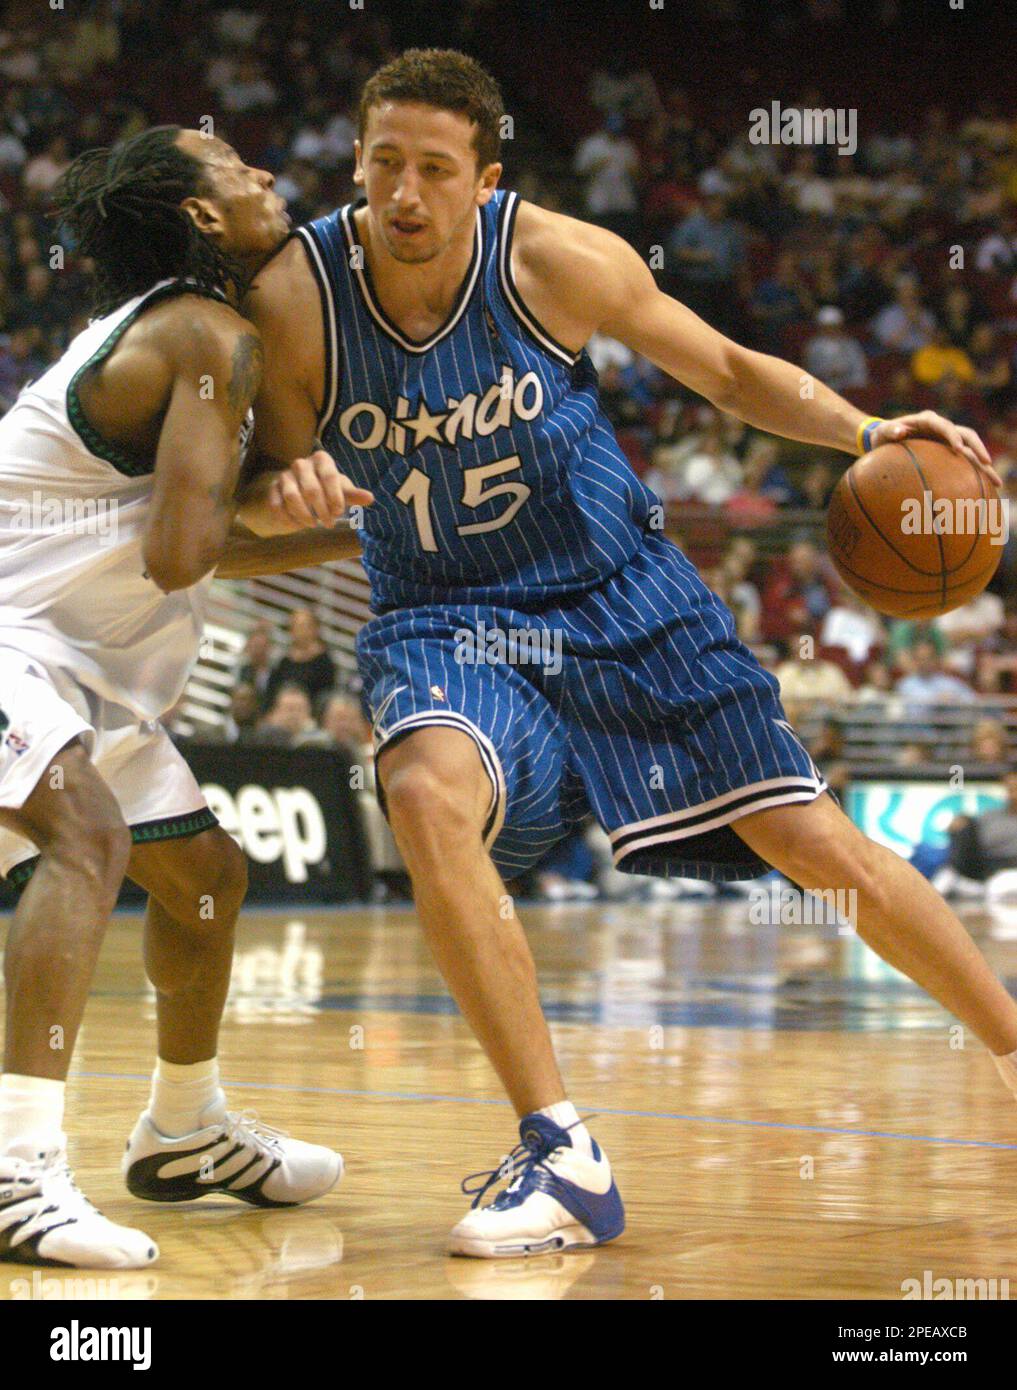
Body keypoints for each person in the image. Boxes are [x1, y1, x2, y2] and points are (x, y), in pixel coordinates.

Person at [243, 48, 1017, 1261]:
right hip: (445, 616)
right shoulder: (294, 298)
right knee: (420, 787)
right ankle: (564, 1157)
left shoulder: (554, 258)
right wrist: (286, 494)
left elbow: (722, 370)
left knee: (817, 847)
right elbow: (262, 509)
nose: (403, 191)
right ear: (355, 161)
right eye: (382, 161)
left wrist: (868, 427)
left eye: (434, 169)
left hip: (623, 596)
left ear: (484, 178)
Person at [0, 125, 370, 1268]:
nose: (265, 176)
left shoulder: (177, 329)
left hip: (77, 672)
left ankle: (183, 1127)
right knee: (85, 842)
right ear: (200, 216)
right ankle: (16, 1173)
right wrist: (305, 516)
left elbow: (182, 537)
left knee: (205, 878)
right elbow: (178, 553)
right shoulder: (205, 333)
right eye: (237, 170)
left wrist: (327, 528)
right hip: (11, 643)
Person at [264, 606, 337, 708]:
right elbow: (271, 692)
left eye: (303, 626)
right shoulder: (283, 661)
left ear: (315, 629)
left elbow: (325, 698)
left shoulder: (324, 663)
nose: (298, 631)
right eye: (294, 626)